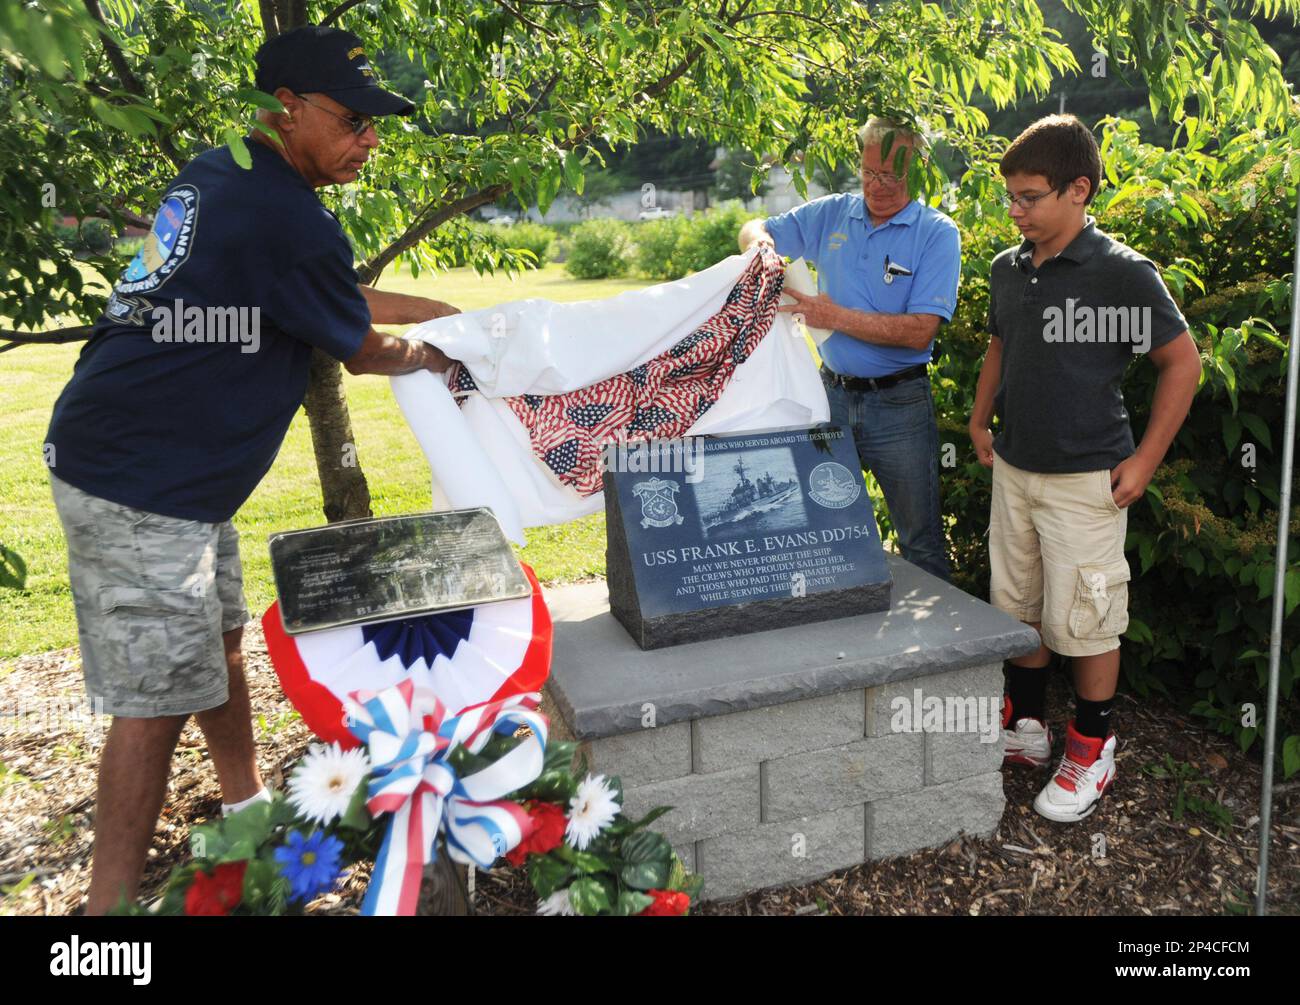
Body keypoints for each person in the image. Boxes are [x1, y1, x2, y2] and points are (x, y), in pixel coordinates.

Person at [44, 25, 457, 914]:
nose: (369, 142)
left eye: (375, 124)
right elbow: (363, 344)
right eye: (353, 122)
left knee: (218, 640)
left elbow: (321, 289)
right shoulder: (280, 213)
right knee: (153, 699)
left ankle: (247, 806)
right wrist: (444, 353)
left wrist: (461, 315)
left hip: (167, 473)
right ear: (289, 108)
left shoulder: (228, 170)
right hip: (138, 480)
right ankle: (104, 924)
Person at [967, 115, 1201, 822]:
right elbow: (999, 347)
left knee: (1090, 619)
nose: (1015, 209)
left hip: (1086, 480)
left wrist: (1145, 461)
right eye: (1009, 195)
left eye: (1030, 196)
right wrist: (980, 420)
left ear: (1079, 190)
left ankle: (1093, 745)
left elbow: (1181, 362)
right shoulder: (1009, 267)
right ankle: (1030, 727)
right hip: (1016, 470)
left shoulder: (1121, 273)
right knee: (1023, 606)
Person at [738, 117, 961, 581]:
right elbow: (755, 226)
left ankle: (942, 647)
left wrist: (832, 317)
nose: (877, 186)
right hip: (832, 397)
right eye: (868, 173)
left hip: (900, 405)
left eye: (892, 176)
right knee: (826, 527)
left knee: (919, 539)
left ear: (917, 170)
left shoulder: (936, 233)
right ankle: (844, 632)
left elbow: (921, 331)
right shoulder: (835, 213)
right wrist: (760, 246)